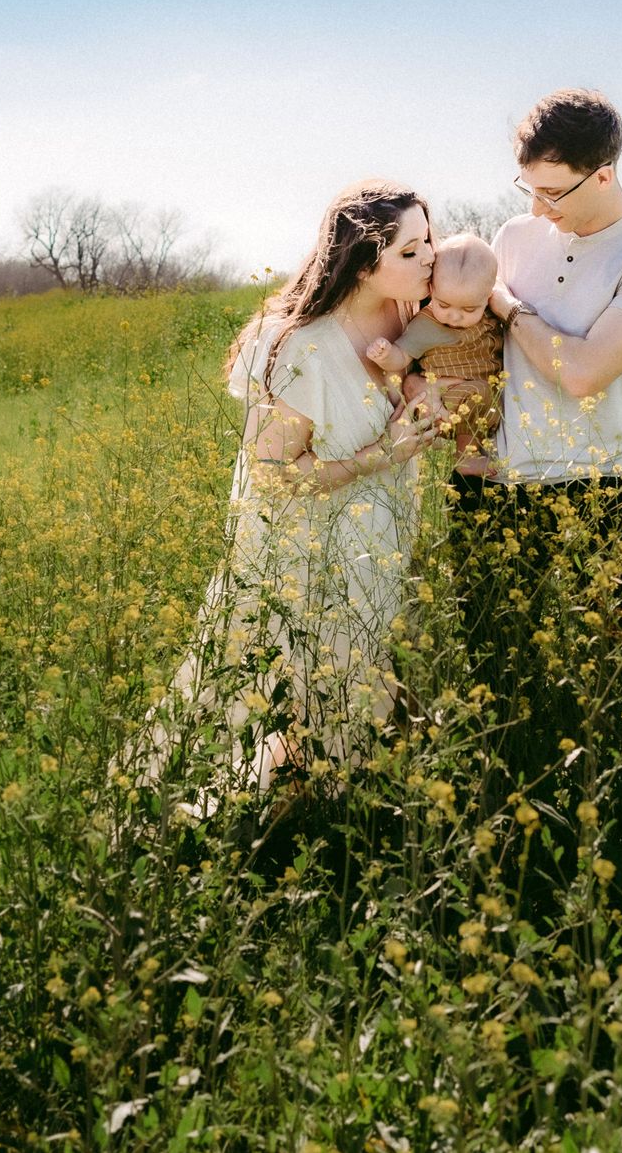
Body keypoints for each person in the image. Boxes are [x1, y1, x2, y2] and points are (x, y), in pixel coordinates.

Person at [448, 88, 622, 903]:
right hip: (493, 485)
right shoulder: (517, 233)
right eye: (529, 190)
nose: (539, 208)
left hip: (592, 484)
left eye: (555, 191)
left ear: (605, 172)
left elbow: (586, 372)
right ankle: (506, 845)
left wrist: (510, 305)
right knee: (497, 670)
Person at [142, 181, 439, 808]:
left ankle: (291, 802)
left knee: (345, 701)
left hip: (375, 545)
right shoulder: (306, 347)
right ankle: (205, 818)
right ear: (364, 262)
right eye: (410, 251)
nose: (429, 259)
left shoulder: (410, 313)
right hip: (307, 557)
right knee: (302, 701)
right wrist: (384, 453)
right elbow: (275, 473)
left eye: (429, 241)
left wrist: (427, 400)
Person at [366, 233, 503, 460]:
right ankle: (465, 458)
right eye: (443, 304)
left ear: (488, 298)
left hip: (480, 403)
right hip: (442, 401)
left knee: (483, 395)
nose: (454, 316)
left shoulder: (491, 317)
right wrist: (386, 354)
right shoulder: (426, 324)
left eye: (469, 309)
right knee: (479, 393)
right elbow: (402, 356)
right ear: (432, 289)